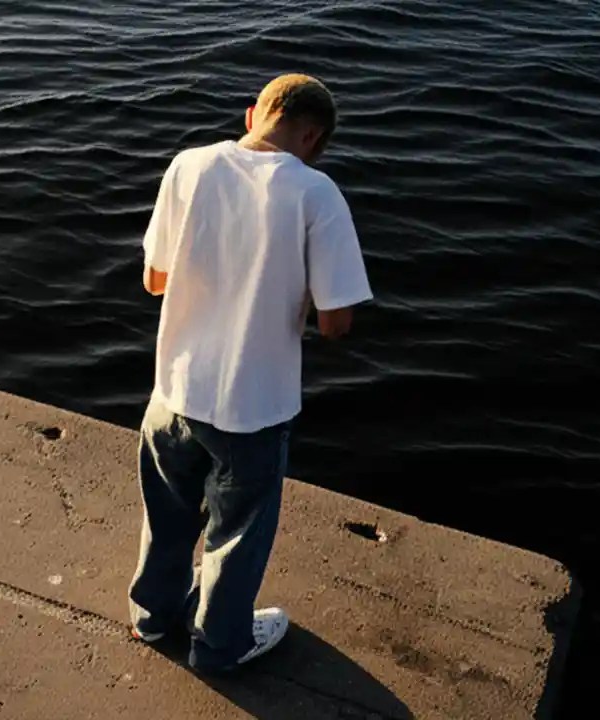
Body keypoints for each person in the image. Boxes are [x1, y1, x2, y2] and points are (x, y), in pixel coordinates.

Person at [127, 73, 373, 672]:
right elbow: (336, 324)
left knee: (167, 517)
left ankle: (154, 620)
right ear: (313, 138)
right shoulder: (318, 195)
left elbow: (154, 280)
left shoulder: (189, 165)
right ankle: (220, 647)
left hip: (173, 393)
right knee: (236, 538)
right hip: (252, 408)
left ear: (252, 115)